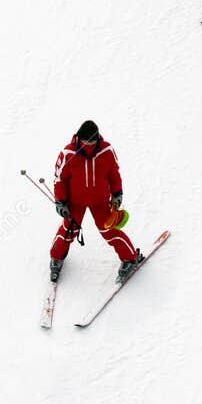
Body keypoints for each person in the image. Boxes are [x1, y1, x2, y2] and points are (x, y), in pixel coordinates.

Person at [50, 120, 142, 283]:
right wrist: (61, 201)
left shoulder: (106, 150)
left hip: (100, 201)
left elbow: (114, 174)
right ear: (79, 138)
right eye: (86, 143)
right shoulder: (68, 154)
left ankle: (130, 258)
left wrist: (117, 193)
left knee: (109, 231)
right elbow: (60, 179)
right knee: (68, 230)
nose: (89, 148)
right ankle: (56, 258)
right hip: (75, 202)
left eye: (93, 143)